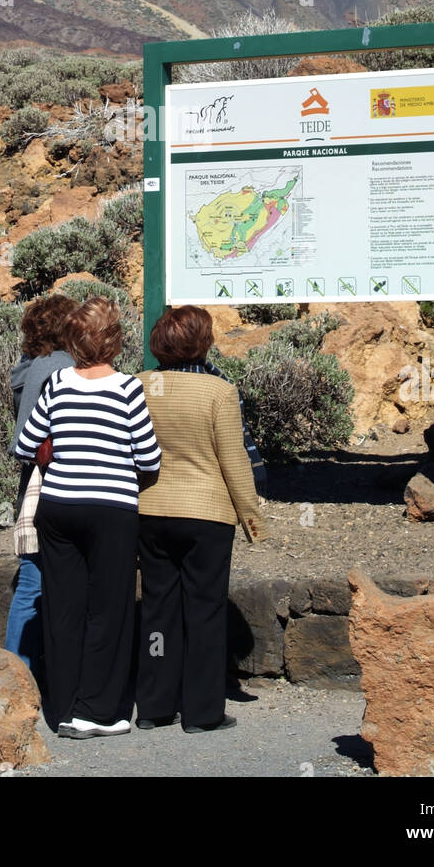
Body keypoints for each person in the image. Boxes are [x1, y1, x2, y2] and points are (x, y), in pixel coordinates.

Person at [16, 296, 161, 739]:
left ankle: (61, 705)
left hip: (58, 507)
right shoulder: (127, 388)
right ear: (114, 342)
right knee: (109, 608)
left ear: (73, 342)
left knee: (62, 605)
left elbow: (26, 445)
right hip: (111, 509)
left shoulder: (58, 382)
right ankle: (98, 711)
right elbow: (149, 458)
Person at [136, 305, 265, 734]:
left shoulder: (139, 386)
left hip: (150, 510)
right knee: (205, 610)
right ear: (202, 342)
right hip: (206, 513)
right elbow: (235, 462)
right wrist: (252, 518)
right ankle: (203, 711)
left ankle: (154, 705)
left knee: (158, 609)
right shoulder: (218, 391)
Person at [4, 295, 77, 671]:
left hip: (35, 485)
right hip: (51, 484)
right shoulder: (54, 368)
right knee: (35, 581)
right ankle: (17, 670)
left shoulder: (28, 368)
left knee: (35, 579)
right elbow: (29, 441)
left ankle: (22, 667)